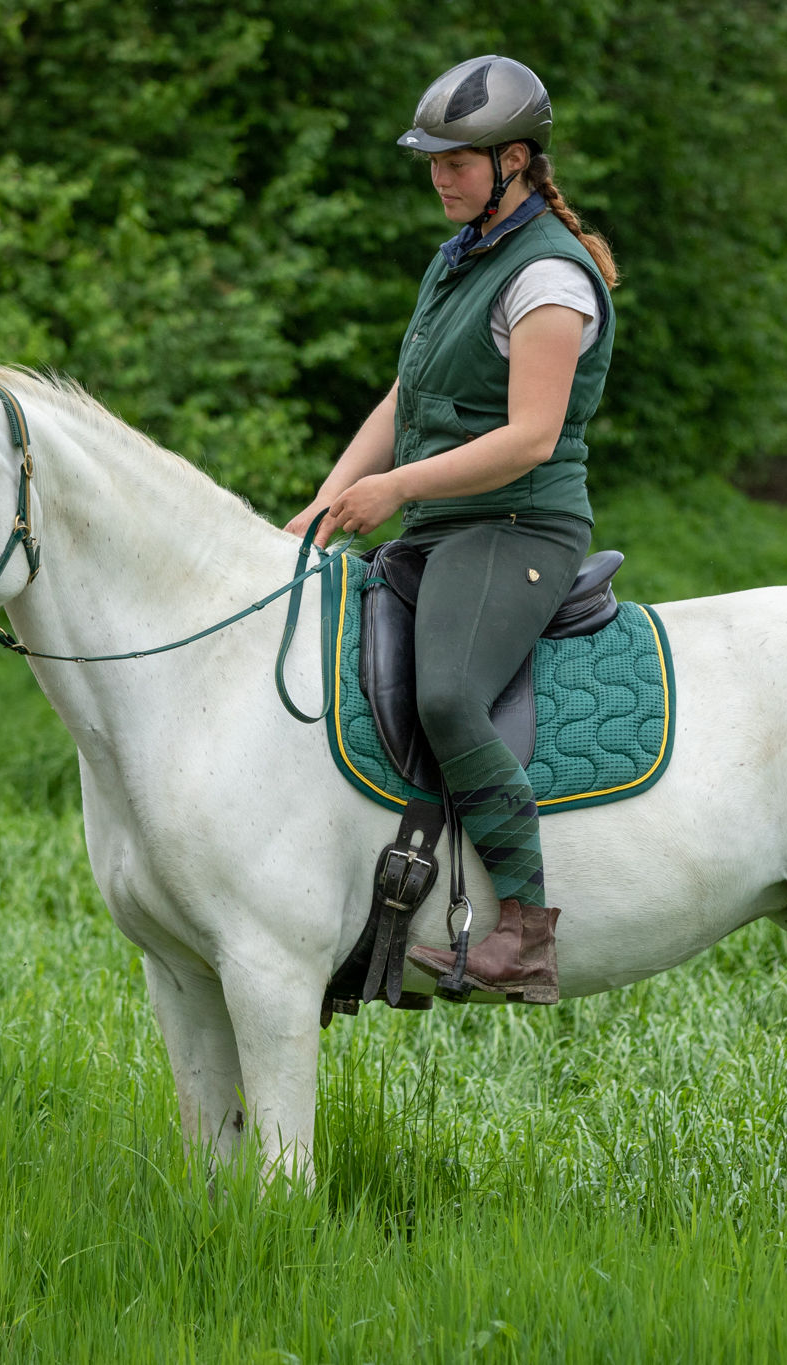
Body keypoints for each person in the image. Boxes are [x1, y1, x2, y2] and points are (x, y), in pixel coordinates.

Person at [284, 55, 619, 1004]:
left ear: (515, 160)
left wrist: (392, 490)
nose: (439, 176)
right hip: (443, 520)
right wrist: (328, 495)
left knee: (447, 695)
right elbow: (410, 394)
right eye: (431, 160)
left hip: (520, 524)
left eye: (459, 162)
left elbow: (529, 438)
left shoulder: (549, 276)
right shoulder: (462, 253)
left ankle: (525, 926)